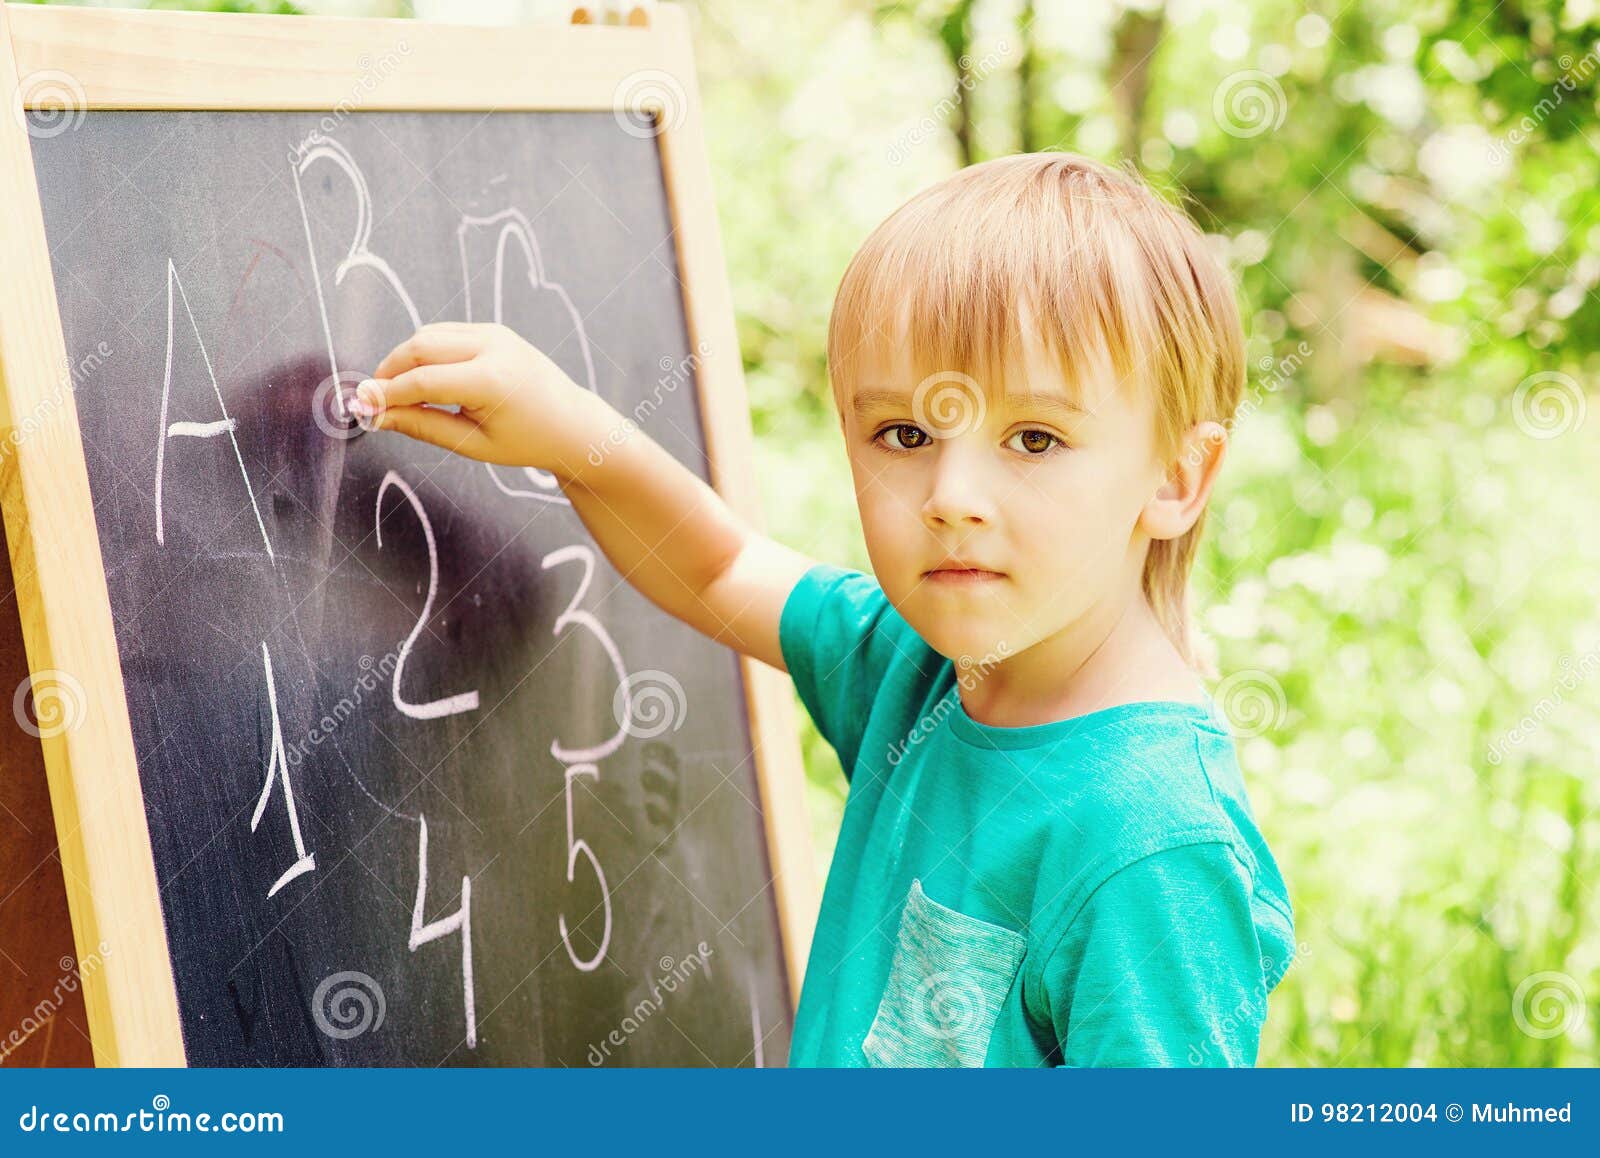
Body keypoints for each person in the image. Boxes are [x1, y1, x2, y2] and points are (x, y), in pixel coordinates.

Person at [350, 150, 1296, 1067]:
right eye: (904, 433)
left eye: (1035, 437)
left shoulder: (1151, 845)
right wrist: (565, 432)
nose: (950, 495)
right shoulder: (916, 669)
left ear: (1176, 478)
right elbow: (719, 567)